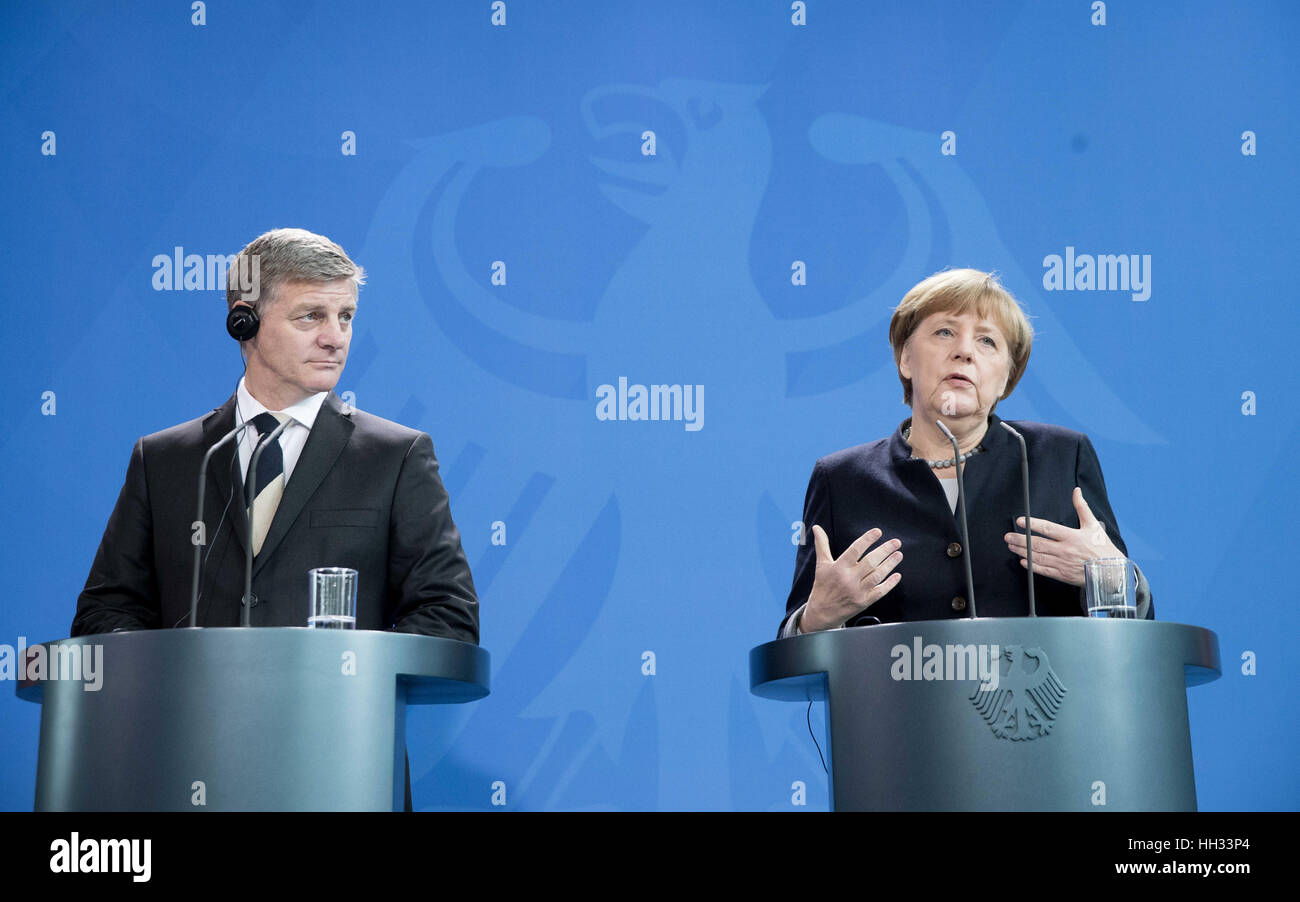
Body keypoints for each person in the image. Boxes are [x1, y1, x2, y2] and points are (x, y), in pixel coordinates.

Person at [72, 228, 478, 642]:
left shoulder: (396, 457)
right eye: (311, 316)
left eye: (346, 317)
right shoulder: (163, 460)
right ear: (243, 322)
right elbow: (106, 611)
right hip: (194, 707)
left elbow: (448, 617)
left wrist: (347, 674)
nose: (335, 338)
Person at [781, 268, 1151, 636]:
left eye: (987, 341)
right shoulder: (841, 479)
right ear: (906, 359)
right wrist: (816, 619)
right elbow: (794, 641)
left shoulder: (1062, 457)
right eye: (945, 332)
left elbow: (1136, 630)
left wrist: (1111, 575)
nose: (964, 352)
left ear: (1007, 377)